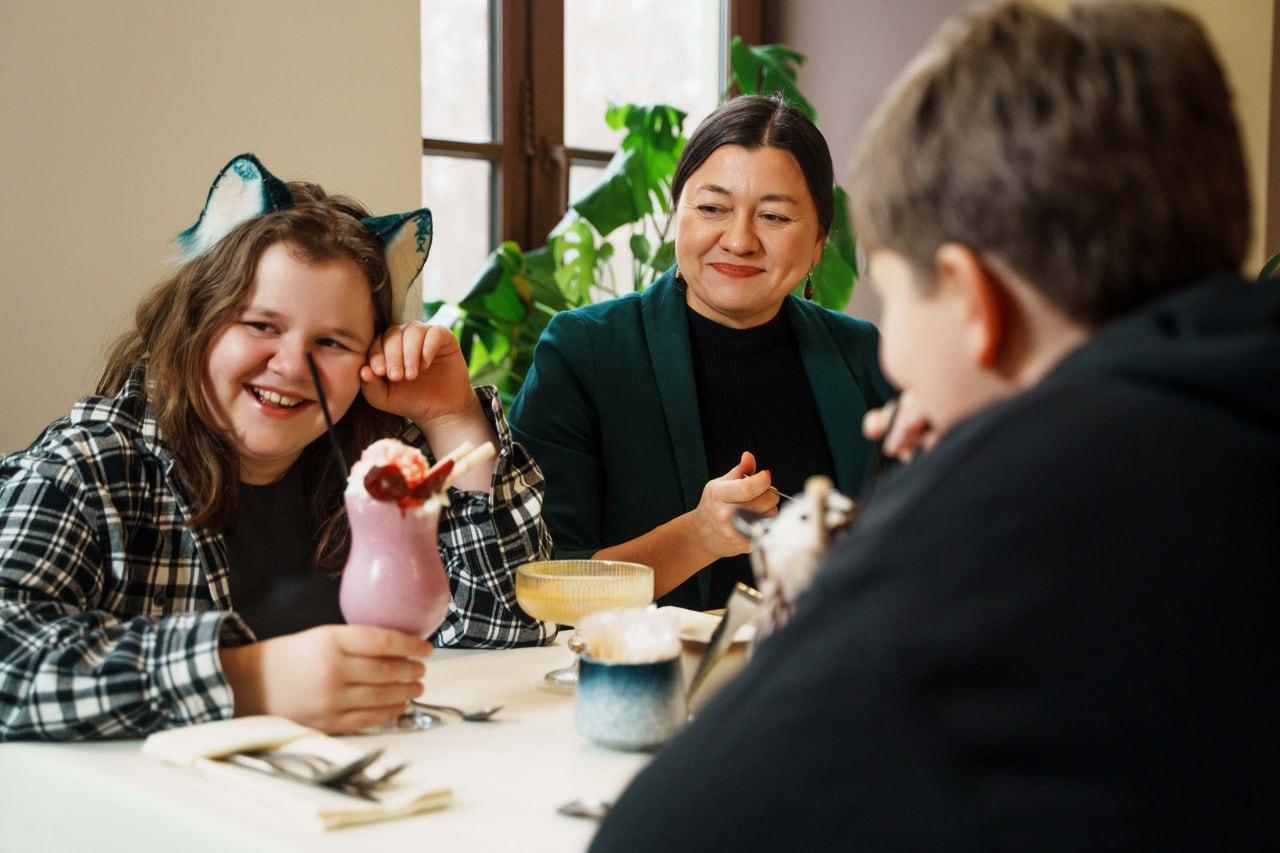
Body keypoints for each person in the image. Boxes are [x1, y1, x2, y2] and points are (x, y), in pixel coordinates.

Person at [592, 2, 1278, 849]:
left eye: (892, 283)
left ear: (974, 301)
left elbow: (656, 834)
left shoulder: (1007, 535)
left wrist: (939, 503)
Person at [0, 154, 553, 741]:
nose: (292, 365)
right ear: (196, 322)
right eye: (261, 326)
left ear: (371, 356)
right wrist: (244, 679)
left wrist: (453, 417)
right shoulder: (90, 470)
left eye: (333, 341)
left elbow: (508, 625)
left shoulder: (379, 471)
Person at [509, 95, 893, 611]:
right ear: (678, 214)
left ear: (820, 242)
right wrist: (698, 537)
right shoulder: (584, 352)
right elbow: (537, 584)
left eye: (774, 217)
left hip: (832, 671)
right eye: (712, 208)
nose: (738, 240)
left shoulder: (861, 355)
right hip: (642, 681)